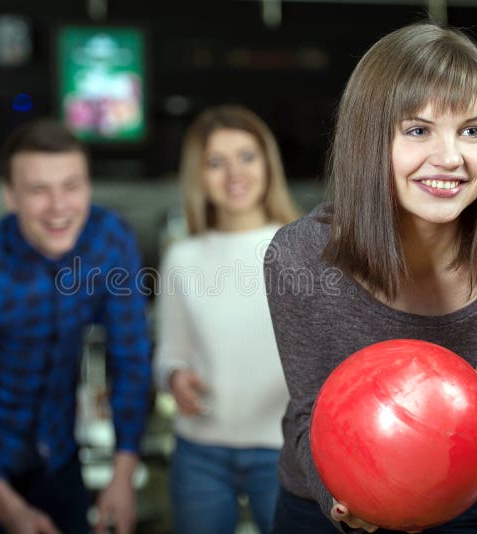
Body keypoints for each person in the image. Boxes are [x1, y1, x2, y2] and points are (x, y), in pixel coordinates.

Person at [264, 22, 477, 534]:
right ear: (369, 138)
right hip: (328, 506)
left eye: (472, 130)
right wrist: (345, 504)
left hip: (468, 511)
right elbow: (309, 417)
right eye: (418, 130)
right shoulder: (301, 258)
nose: (450, 158)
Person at [0, 118, 152, 534]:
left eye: (71, 186)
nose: (58, 206)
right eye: (38, 190)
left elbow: (132, 360)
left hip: (57, 455)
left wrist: (124, 472)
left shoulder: (109, 241)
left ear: (87, 187)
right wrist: (10, 509)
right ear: (10, 196)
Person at [154, 105, 300, 534]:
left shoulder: (304, 248)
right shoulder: (182, 256)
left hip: (285, 449)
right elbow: (169, 355)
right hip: (199, 452)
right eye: (216, 162)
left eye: (247, 157)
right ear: (198, 176)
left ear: (268, 165)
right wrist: (174, 377)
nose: (234, 173)